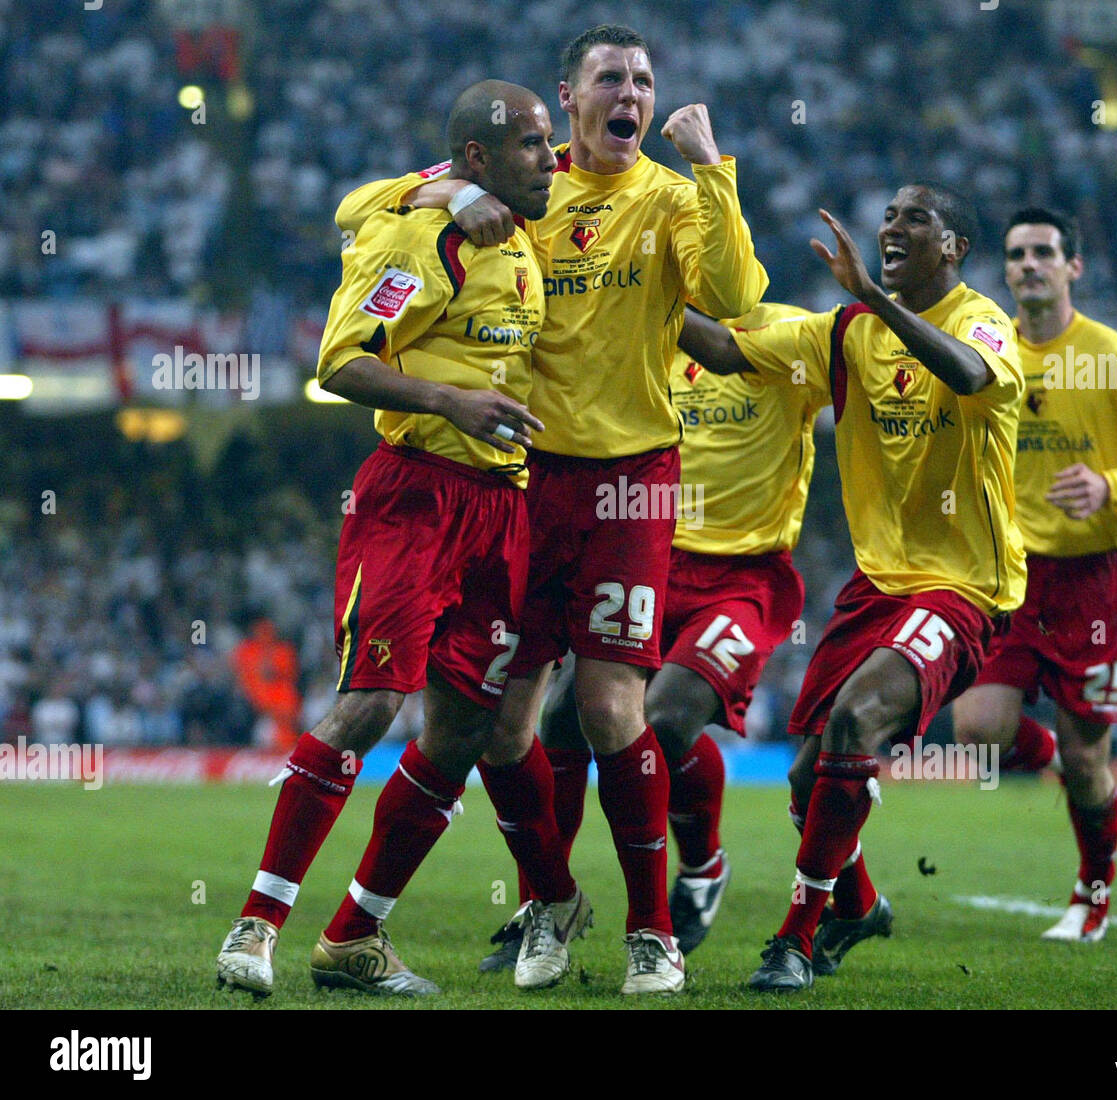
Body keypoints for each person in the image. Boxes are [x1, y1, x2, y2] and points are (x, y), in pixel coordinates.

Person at [335, 24, 767, 994]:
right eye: (611, 77)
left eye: (645, 79)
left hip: (631, 483)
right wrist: (438, 188)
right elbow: (358, 208)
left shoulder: (667, 194)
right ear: (565, 96)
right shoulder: (521, 189)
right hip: (524, 482)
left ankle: (652, 932)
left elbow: (737, 293)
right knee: (498, 722)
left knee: (614, 707)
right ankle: (550, 899)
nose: (632, 93)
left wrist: (713, 169)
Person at [215, 80, 580, 998]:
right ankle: (254, 930)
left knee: (461, 733)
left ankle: (353, 939)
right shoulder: (422, 238)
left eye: (550, 141)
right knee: (373, 703)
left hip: (504, 509)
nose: (553, 157)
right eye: (535, 144)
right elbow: (341, 362)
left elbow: (365, 190)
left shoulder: (525, 223)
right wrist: (452, 400)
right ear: (476, 162)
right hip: (416, 497)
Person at [678, 185, 1027, 991]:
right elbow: (731, 352)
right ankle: (859, 907)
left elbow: (973, 376)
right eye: (890, 217)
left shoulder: (980, 320)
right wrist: (645, 302)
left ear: (955, 247)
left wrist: (872, 298)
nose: (891, 228)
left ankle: (796, 939)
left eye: (915, 219)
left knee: (858, 716)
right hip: (879, 587)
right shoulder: (845, 332)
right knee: (807, 781)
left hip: (964, 587)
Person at [479, 301, 825, 971]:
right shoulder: (637, 327)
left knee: (662, 721)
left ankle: (703, 863)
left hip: (740, 579)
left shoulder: (794, 335)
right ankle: (542, 910)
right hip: (649, 555)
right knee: (560, 718)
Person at [952, 208, 1117, 942]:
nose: (1028, 265)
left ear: (1073, 267)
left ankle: (1093, 893)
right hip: (1014, 574)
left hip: (1094, 575)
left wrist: (1112, 490)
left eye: (1043, 253)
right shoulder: (990, 352)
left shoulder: (1112, 358)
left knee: (1091, 758)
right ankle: (1059, 757)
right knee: (977, 727)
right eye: (1017, 255)